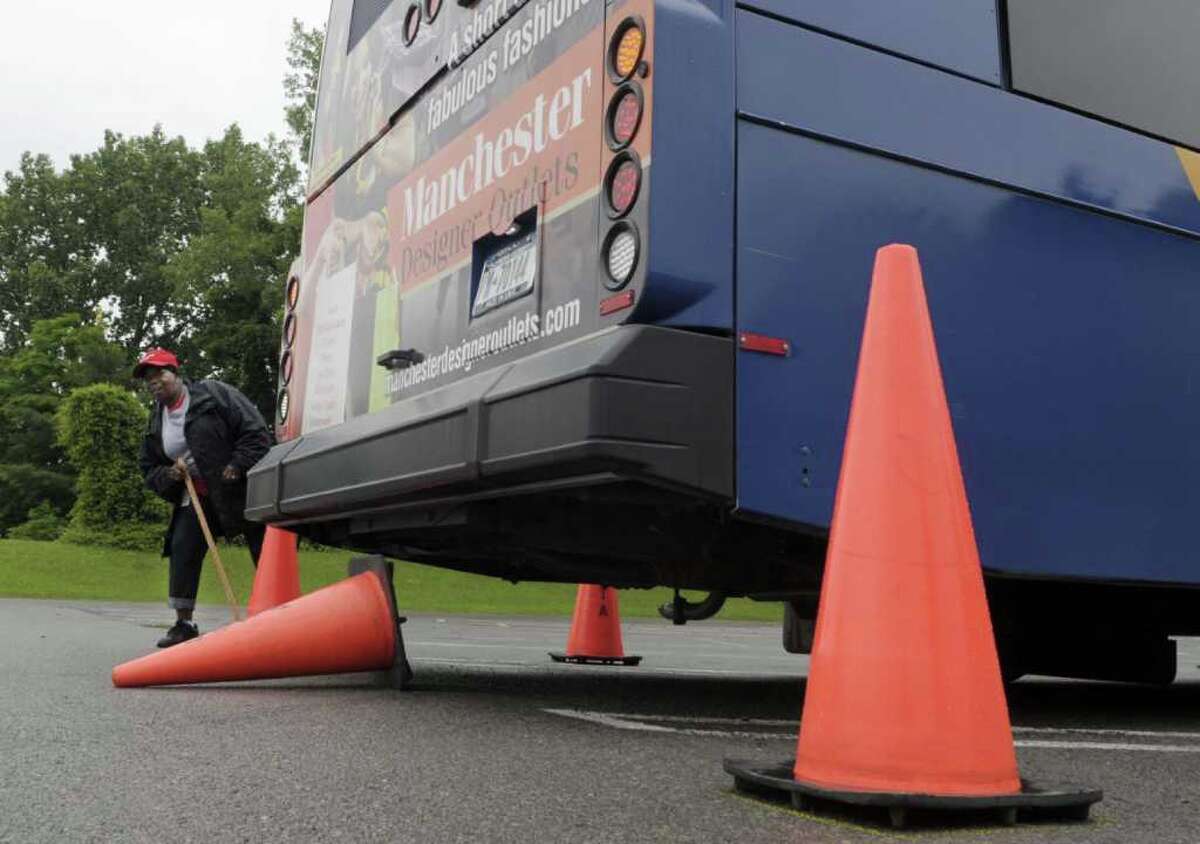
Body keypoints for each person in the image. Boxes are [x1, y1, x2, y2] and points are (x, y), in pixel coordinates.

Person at [134, 348, 272, 647]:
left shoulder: (214, 394)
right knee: (183, 546)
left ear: (176, 373)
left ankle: (277, 616)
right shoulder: (157, 417)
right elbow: (148, 466)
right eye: (148, 378)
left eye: (160, 374)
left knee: (263, 546)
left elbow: (256, 432)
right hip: (196, 492)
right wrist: (169, 475)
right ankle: (183, 624)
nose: (154, 382)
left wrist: (237, 464)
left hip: (238, 486)